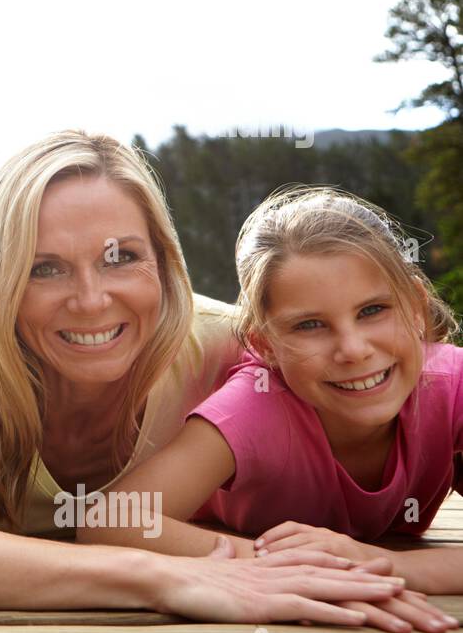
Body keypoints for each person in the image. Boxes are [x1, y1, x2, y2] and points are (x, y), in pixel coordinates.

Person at [0, 132, 454, 633]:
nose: (91, 300)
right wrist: (162, 575)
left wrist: (363, 564)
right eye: (45, 268)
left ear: (165, 263)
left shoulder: (232, 345)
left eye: (121, 258)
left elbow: (372, 377)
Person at [77, 187, 463, 608]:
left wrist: (383, 564)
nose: (353, 349)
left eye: (372, 311)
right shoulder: (256, 407)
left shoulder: (451, 385)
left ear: (415, 307)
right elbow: (111, 521)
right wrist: (298, 565)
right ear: (265, 345)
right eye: (310, 325)